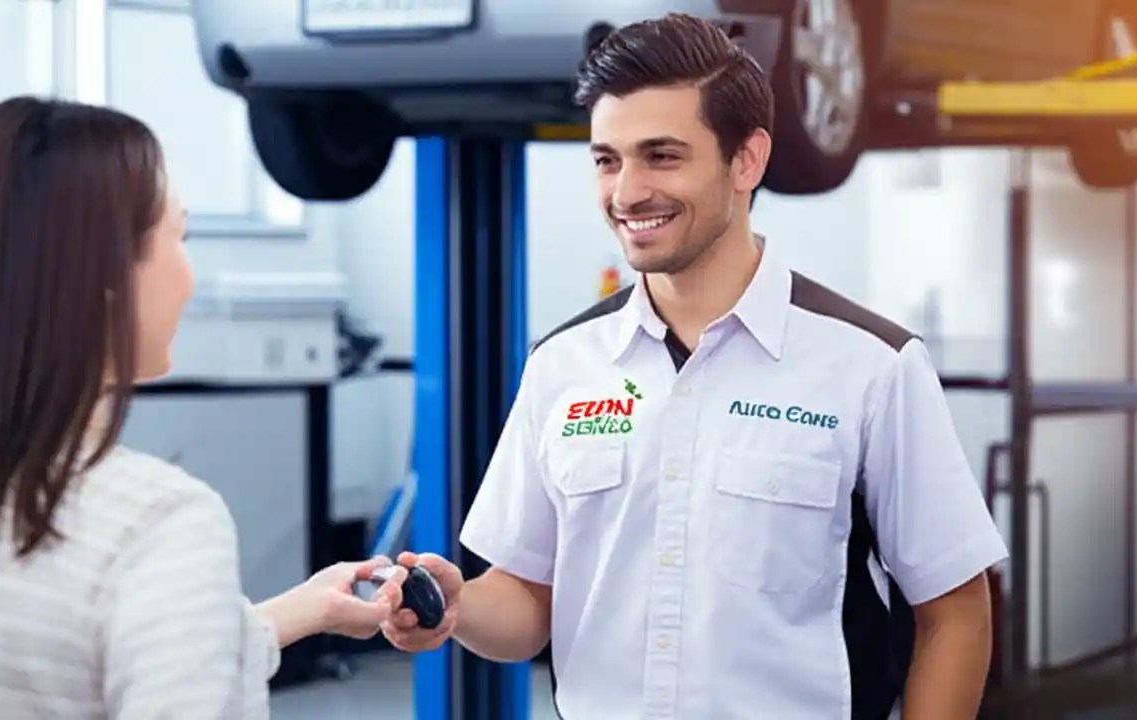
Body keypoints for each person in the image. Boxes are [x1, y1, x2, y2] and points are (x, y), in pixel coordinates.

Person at [381, 13, 1008, 720]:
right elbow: (529, 599)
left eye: (662, 156)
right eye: (607, 160)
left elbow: (956, 611)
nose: (626, 193)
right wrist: (457, 609)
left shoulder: (871, 367)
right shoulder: (562, 365)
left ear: (747, 161)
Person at [0, 95, 403, 719]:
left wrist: (307, 610)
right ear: (106, 282)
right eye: (178, 237)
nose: (188, 276)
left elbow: (110, 656)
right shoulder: (163, 522)